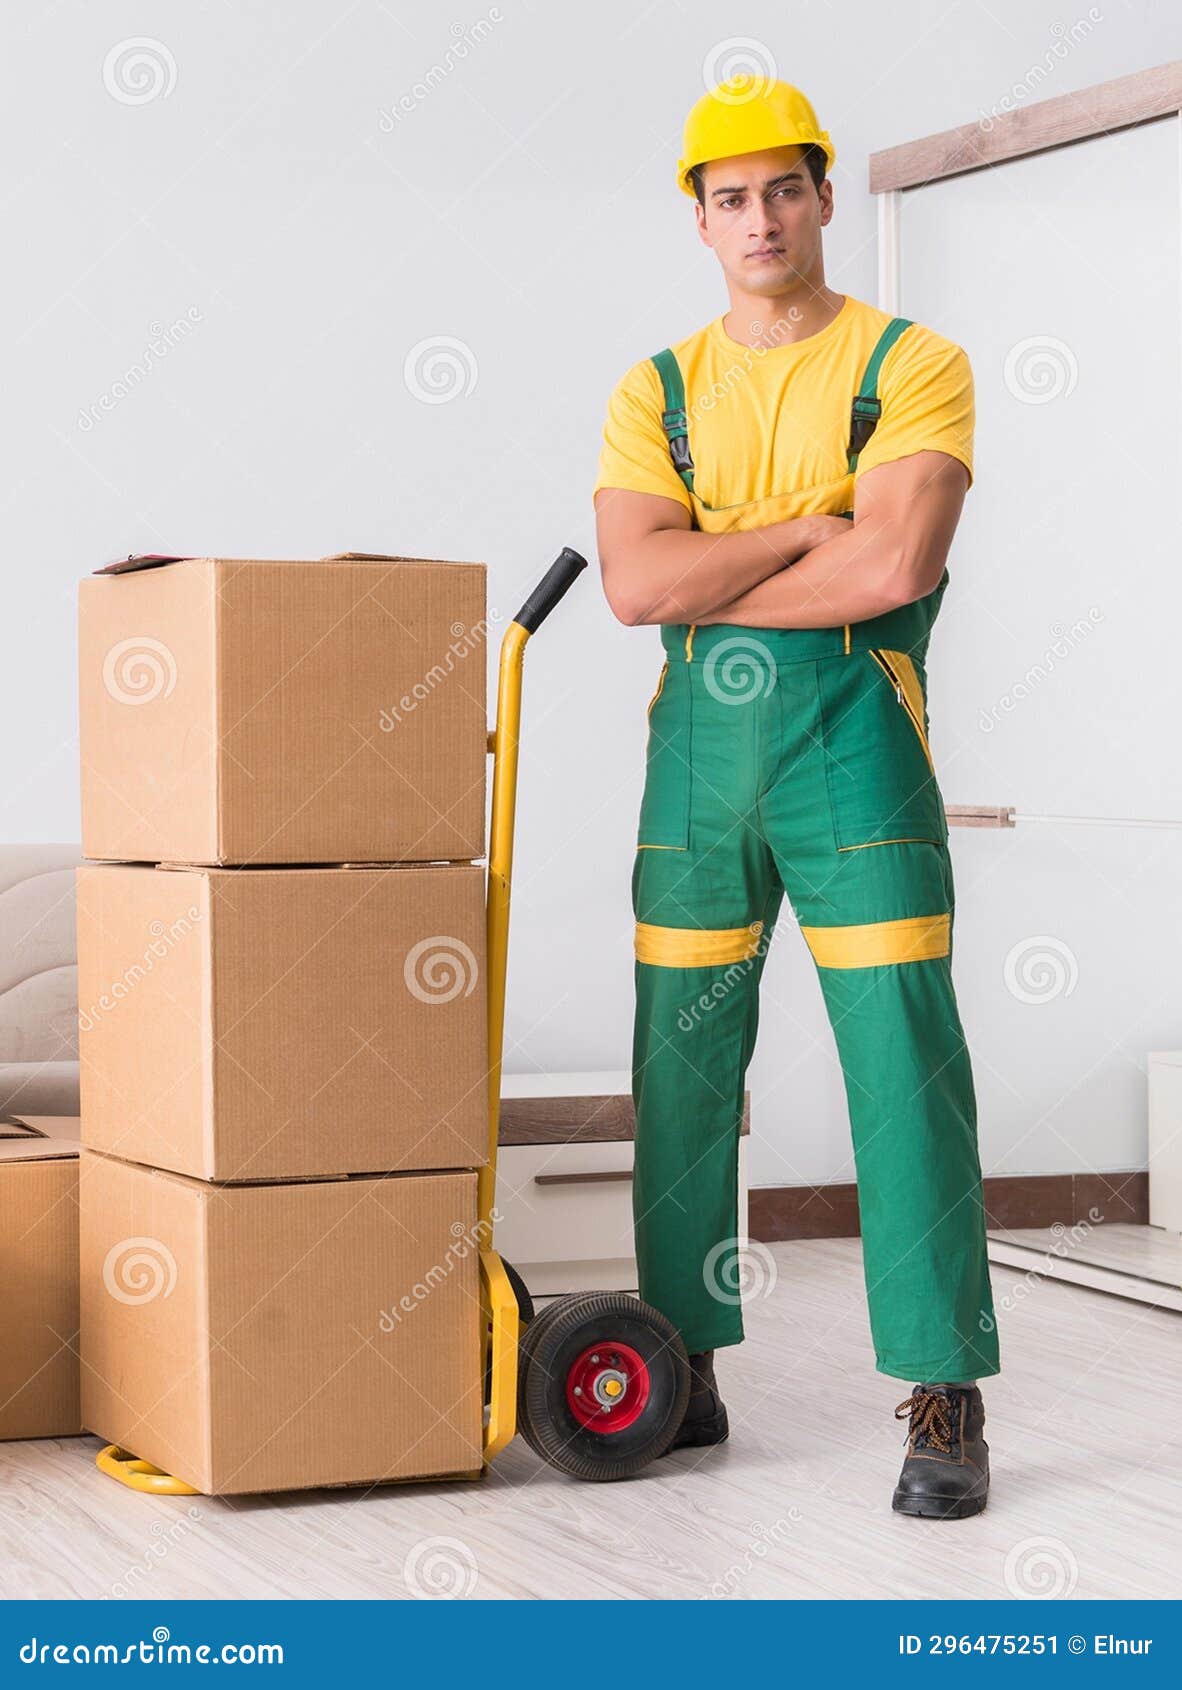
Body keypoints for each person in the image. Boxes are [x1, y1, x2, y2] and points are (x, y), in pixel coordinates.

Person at [592, 77, 998, 1519]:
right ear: (696, 219)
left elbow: (893, 571)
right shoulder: (657, 388)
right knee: (678, 1072)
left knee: (900, 1063)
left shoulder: (912, 361)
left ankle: (943, 1389)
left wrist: (726, 563)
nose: (757, 219)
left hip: (856, 758)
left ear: (823, 197)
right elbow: (636, 589)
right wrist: (800, 530)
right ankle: (683, 1361)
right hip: (696, 775)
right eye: (728, 197)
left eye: (782, 189)